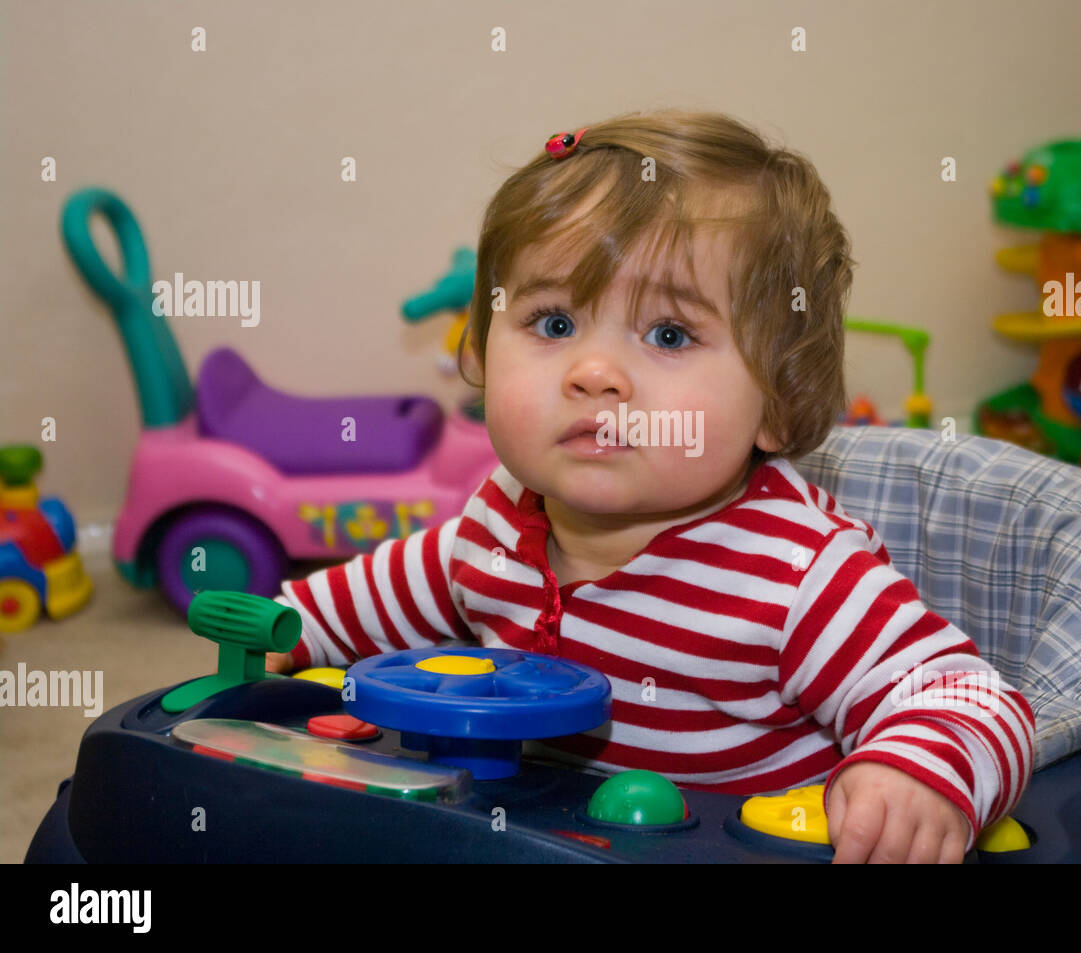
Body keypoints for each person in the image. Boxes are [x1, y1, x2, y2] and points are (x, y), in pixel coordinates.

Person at [267, 110, 1034, 863]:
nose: (593, 372)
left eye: (668, 334)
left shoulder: (794, 574)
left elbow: (966, 696)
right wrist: (284, 628)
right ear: (479, 349)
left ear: (779, 396)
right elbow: (368, 600)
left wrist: (914, 773)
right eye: (554, 323)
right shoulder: (497, 521)